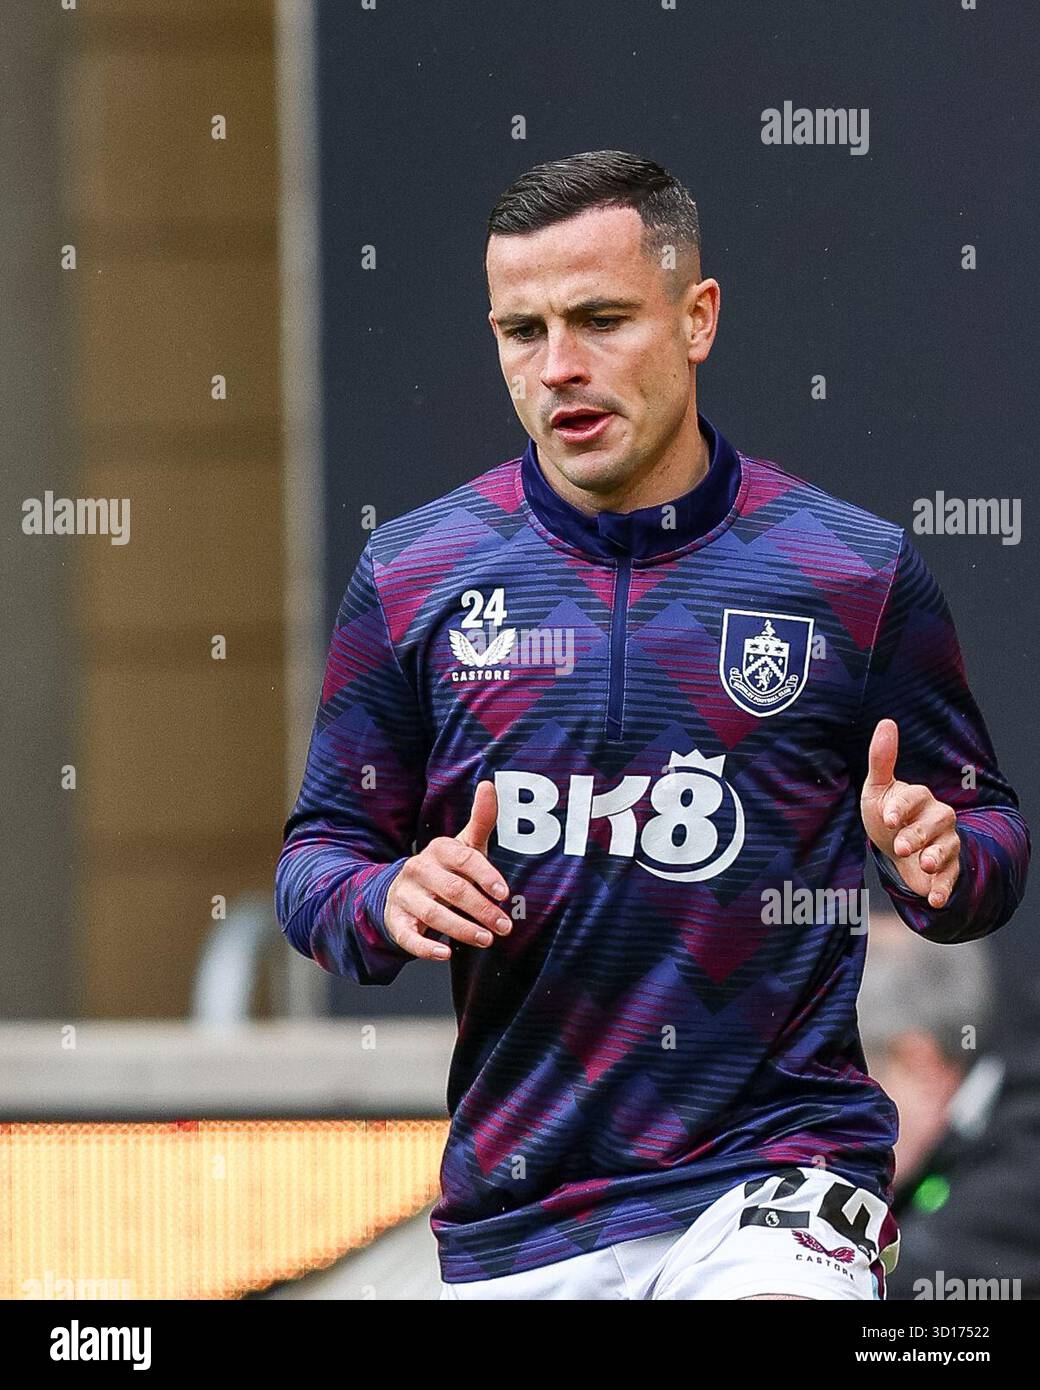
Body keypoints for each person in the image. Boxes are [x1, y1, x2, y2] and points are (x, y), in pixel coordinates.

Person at [275, 150, 1029, 1300]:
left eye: (599, 318)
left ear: (696, 318)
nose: (559, 367)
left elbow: (986, 839)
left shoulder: (850, 572)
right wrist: (384, 895)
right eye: (520, 331)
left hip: (776, 1172)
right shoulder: (412, 576)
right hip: (523, 1204)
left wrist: (939, 854)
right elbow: (315, 856)